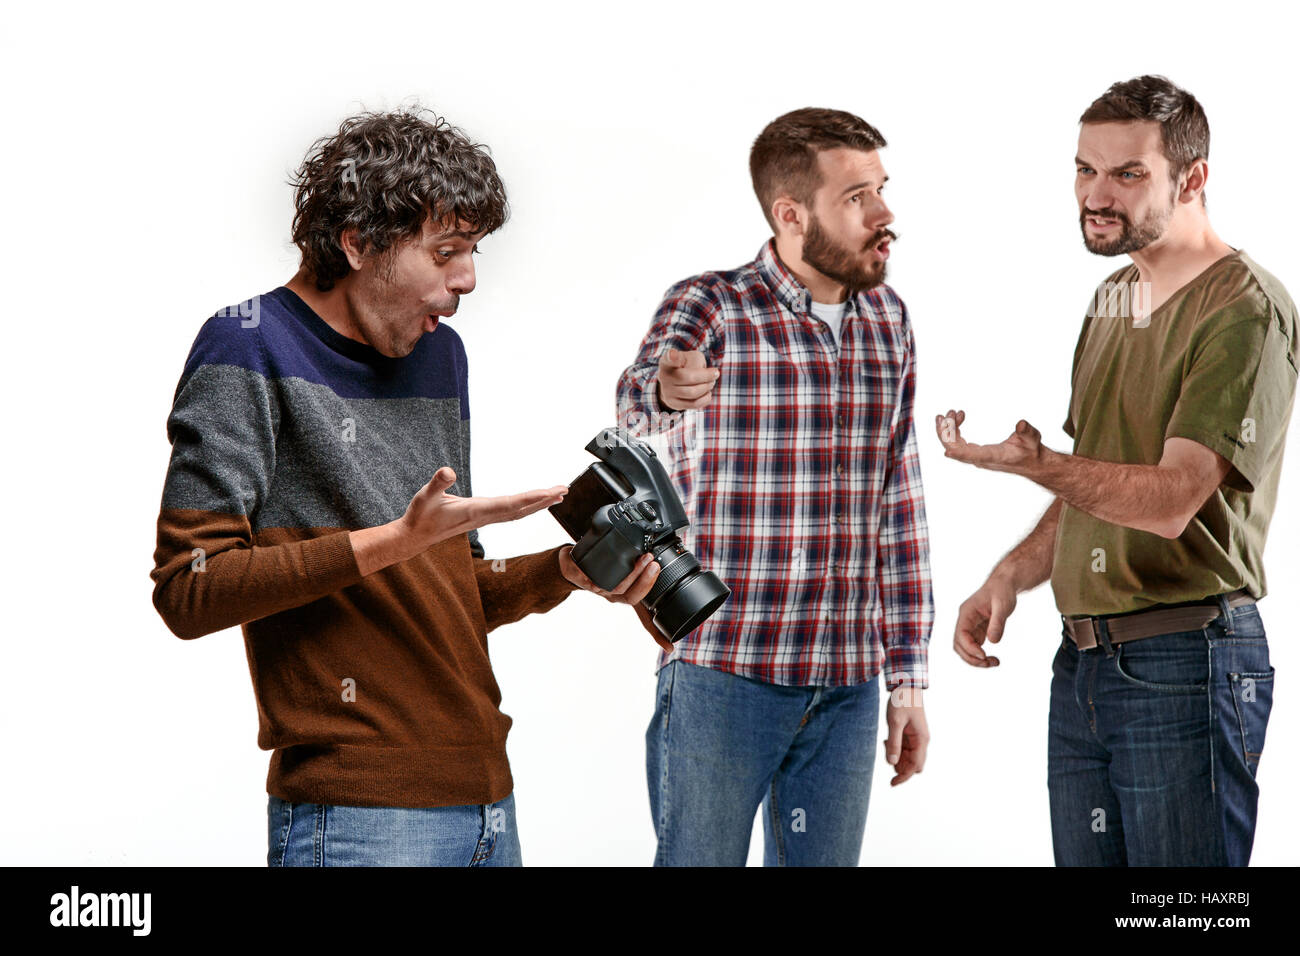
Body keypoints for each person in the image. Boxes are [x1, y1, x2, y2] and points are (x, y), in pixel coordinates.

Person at [150, 106, 659, 867]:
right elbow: (190, 591)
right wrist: (393, 540)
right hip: (359, 819)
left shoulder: (439, 356)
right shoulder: (246, 345)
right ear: (358, 242)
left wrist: (563, 574)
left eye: (474, 250)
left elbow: (451, 591)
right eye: (446, 249)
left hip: (487, 802)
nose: (469, 279)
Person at [938, 75, 1297, 866]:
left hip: (1186, 662)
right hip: (1083, 666)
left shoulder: (1244, 309)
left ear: (1192, 178)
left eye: (1127, 174)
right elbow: (1097, 486)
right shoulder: (1109, 300)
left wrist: (1038, 463)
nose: (1096, 196)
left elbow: (1170, 501)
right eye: (1084, 170)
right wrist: (1011, 574)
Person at [616, 107, 934, 867]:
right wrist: (666, 390)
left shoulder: (889, 319)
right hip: (727, 670)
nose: (885, 214)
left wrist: (908, 680)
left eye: (881, 188)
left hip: (848, 687)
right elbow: (636, 409)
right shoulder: (714, 305)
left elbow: (899, 501)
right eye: (858, 196)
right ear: (791, 214)